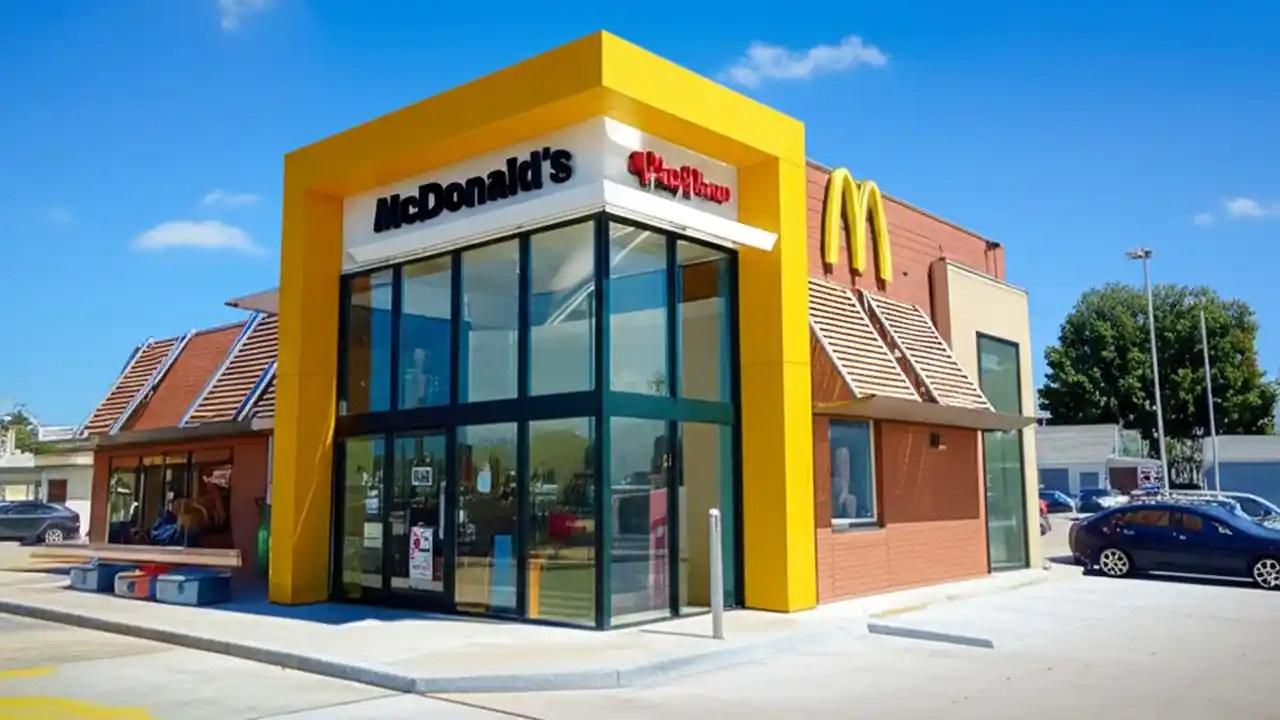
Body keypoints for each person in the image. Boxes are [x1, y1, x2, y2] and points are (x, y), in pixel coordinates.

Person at [831, 446, 858, 519]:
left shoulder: (851, 486)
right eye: (840, 462)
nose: (844, 468)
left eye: (846, 463)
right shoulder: (833, 484)